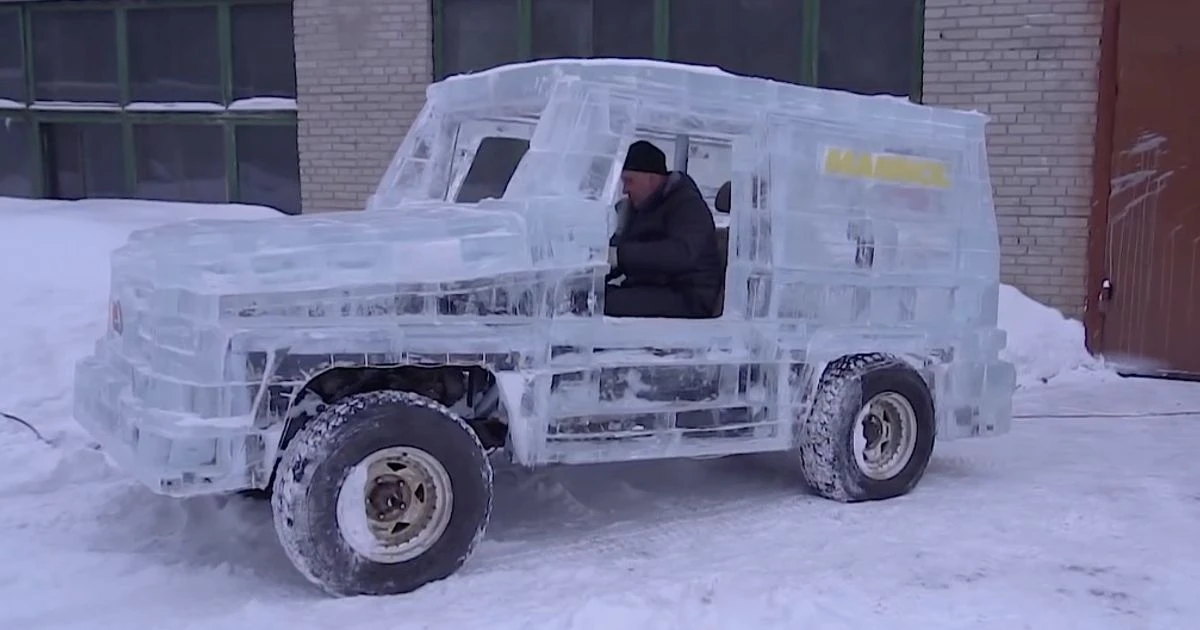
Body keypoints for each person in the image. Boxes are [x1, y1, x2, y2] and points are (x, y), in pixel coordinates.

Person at [605, 140, 724, 318]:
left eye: (629, 181)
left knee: (606, 303)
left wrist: (620, 256)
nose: (625, 189)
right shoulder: (639, 207)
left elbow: (683, 253)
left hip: (687, 296)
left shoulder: (687, 205)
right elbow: (621, 251)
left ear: (652, 179)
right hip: (655, 288)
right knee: (593, 296)